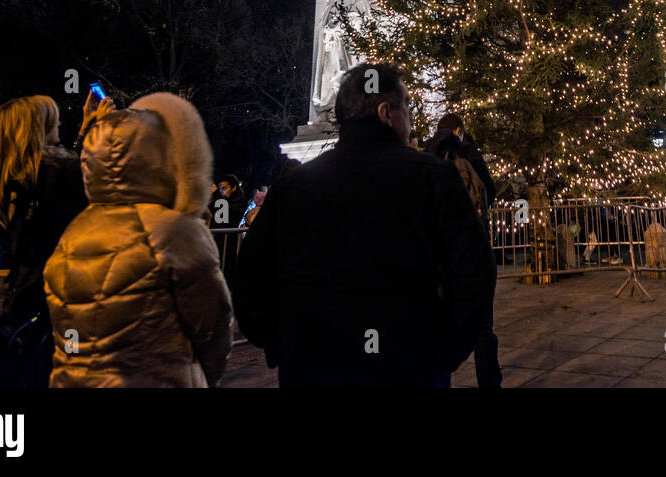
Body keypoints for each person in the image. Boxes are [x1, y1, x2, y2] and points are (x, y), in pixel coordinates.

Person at [234, 63, 495, 388]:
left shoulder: (293, 186)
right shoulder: (432, 177)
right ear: (386, 112)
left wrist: (284, 346)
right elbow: (476, 271)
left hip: (314, 369)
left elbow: (249, 281)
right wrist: (444, 351)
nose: (412, 119)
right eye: (408, 108)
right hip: (409, 367)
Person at [43, 92, 232, 387]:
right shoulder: (175, 231)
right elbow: (212, 326)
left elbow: (67, 330)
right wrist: (205, 375)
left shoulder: (74, 231)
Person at [0, 95, 88, 388]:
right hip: (59, 307)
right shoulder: (61, 176)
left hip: (17, 306)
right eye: (52, 119)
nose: (60, 122)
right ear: (35, 130)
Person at [427, 112, 501, 389]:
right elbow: (489, 190)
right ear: (459, 130)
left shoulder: (427, 154)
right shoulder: (468, 152)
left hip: (438, 253)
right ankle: (489, 383)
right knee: (483, 327)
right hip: (472, 248)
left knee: (436, 326)